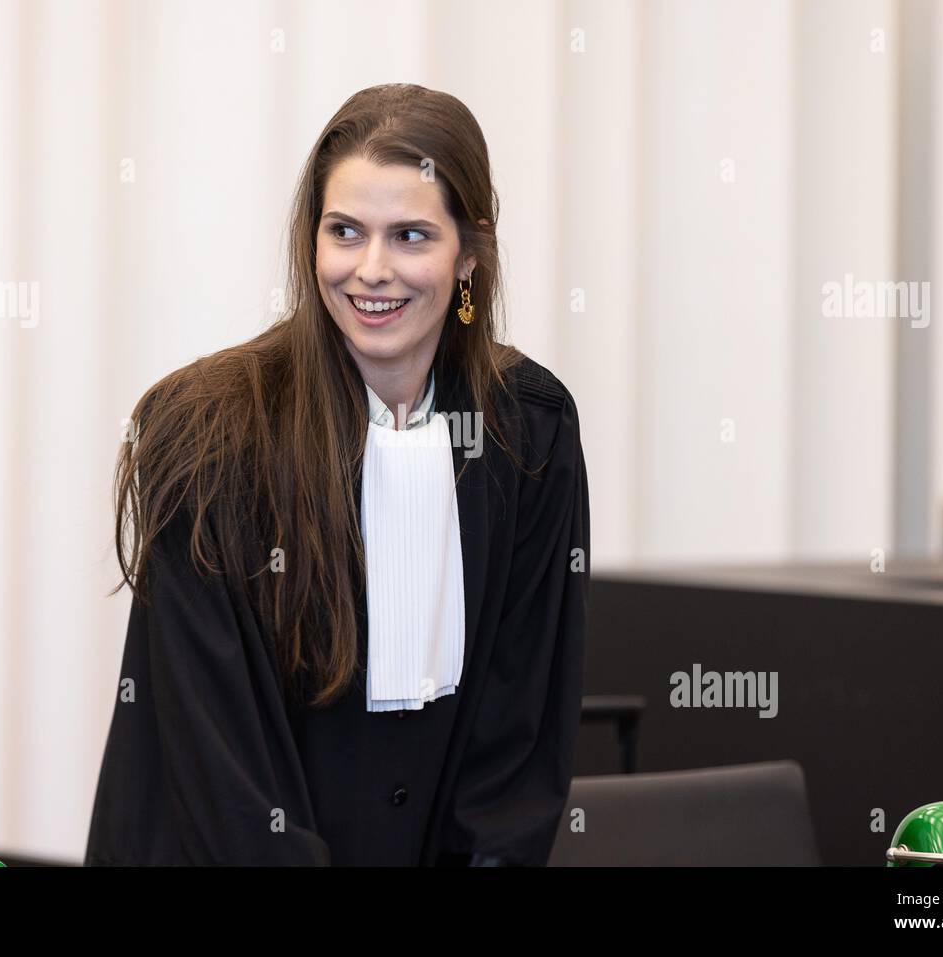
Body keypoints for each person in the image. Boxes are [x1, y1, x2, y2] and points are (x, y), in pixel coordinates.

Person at [84, 82, 590, 866]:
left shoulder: (529, 432)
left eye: (412, 236)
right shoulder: (208, 435)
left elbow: (516, 748)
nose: (372, 270)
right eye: (345, 232)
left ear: (470, 253)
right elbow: (228, 782)